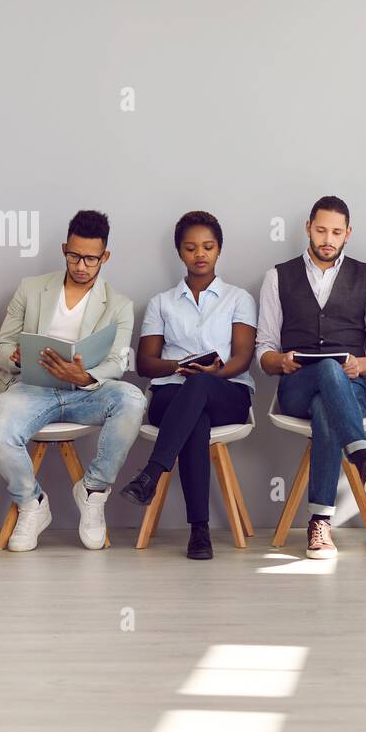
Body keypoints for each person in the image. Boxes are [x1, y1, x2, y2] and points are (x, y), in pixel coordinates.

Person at [0, 210, 145, 551]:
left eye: (91, 258)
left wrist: (84, 375)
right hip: (31, 387)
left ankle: (92, 491)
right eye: (74, 256)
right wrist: (14, 356)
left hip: (86, 392)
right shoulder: (30, 288)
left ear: (105, 256)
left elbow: (117, 361)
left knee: (132, 399)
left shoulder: (119, 305)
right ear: (64, 250)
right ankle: (31, 503)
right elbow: (0, 346)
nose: (81, 266)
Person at [256, 196, 366, 560]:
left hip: (350, 389)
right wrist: (279, 360)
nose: (327, 239)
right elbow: (264, 350)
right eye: (321, 230)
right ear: (308, 228)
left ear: (348, 233)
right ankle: (364, 458)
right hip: (296, 387)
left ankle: (320, 524)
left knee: (326, 406)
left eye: (336, 232)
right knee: (324, 379)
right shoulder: (277, 277)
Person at [119, 211, 257, 560]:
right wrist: (179, 365)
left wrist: (214, 372)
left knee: (200, 388)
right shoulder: (161, 302)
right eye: (191, 247)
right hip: (170, 393)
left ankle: (152, 472)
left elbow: (243, 357)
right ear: (180, 252)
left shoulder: (238, 298)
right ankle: (199, 531)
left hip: (228, 391)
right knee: (194, 413)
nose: (200, 254)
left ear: (219, 250)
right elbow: (145, 363)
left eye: (208, 247)